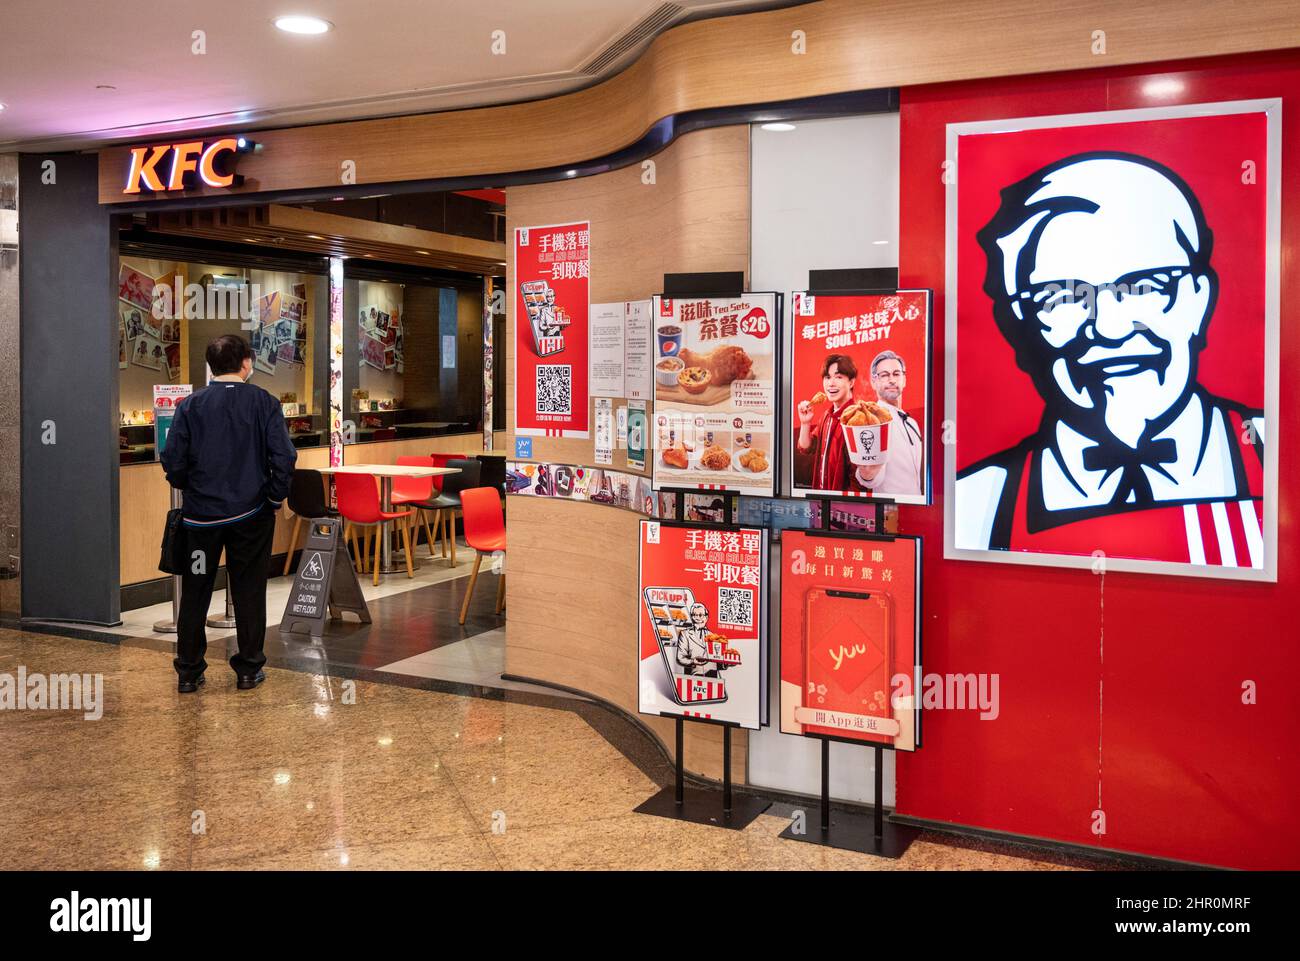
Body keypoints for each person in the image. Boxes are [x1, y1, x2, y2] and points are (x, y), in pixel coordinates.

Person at [955, 153, 1265, 568]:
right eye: (1064, 295)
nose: (1110, 327)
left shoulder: (1276, 455)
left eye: (1144, 286)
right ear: (1021, 324)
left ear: (1198, 299)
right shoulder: (977, 505)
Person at [161, 334, 298, 692]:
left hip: (199, 520)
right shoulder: (264, 403)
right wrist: (271, 499)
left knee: (195, 590)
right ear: (247, 363)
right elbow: (284, 458)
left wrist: (188, 487)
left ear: (211, 365)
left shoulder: (191, 406)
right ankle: (249, 668)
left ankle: (189, 671)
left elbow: (173, 460)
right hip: (251, 517)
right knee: (249, 590)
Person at [855, 349, 924, 496]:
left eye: (896, 374)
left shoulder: (912, 423)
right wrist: (867, 473)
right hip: (890, 511)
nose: (892, 380)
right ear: (874, 382)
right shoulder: (871, 420)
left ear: (904, 379)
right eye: (885, 375)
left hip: (916, 507)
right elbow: (870, 477)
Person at [795, 354, 867, 492]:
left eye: (838, 377)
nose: (831, 383)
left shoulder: (858, 418)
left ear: (851, 382)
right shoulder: (827, 416)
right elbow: (806, 448)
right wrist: (805, 423)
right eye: (827, 377)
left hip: (844, 505)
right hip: (822, 500)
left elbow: (860, 475)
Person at [674, 603, 718, 678]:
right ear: (691, 617)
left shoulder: (713, 636)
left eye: (700, 615)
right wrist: (692, 661)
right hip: (693, 675)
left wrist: (725, 665)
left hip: (712, 676)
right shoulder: (685, 634)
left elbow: (717, 659)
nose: (697, 618)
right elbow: (680, 658)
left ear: (706, 617)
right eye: (694, 615)